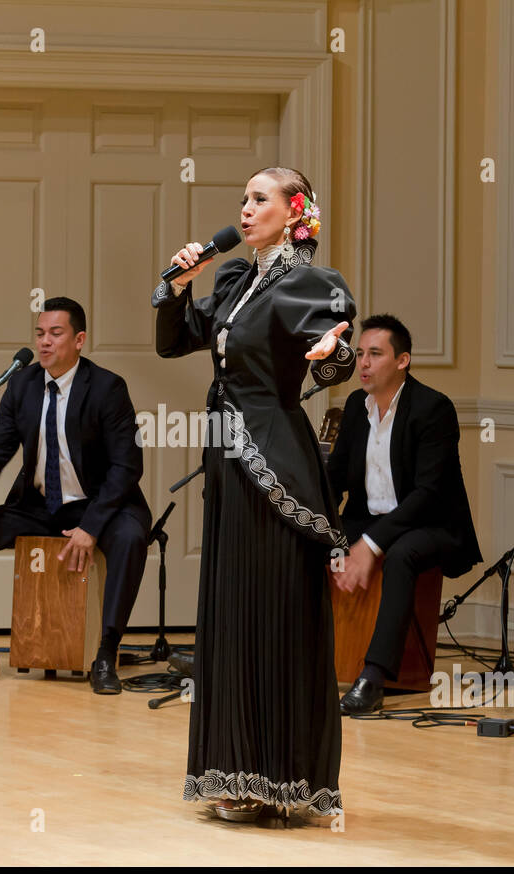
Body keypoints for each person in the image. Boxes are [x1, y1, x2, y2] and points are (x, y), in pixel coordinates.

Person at [154, 166, 355, 823]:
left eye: (259, 199)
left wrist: (331, 354)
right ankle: (238, 771)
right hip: (230, 467)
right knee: (234, 614)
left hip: (275, 465)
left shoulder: (307, 282)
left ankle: (281, 780)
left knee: (274, 612)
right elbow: (176, 341)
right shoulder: (237, 280)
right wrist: (177, 287)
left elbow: (333, 353)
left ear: (295, 210)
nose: (244, 209)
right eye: (241, 198)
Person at [0, 297, 152, 695]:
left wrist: (91, 526)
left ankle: (105, 653)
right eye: (40, 333)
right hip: (43, 505)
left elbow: (127, 467)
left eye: (56, 333)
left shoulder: (107, 388)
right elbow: (4, 436)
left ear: (79, 339)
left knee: (132, 539)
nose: (45, 342)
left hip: (103, 504)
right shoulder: (24, 383)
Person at [327, 315, 482, 715]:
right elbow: (336, 478)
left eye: (375, 354)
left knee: (399, 554)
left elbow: (428, 495)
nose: (363, 363)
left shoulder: (433, 409)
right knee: (306, 542)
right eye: (360, 354)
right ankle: (295, 659)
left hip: (430, 523)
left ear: (402, 361)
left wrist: (369, 545)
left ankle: (372, 678)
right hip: (369, 519)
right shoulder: (354, 407)